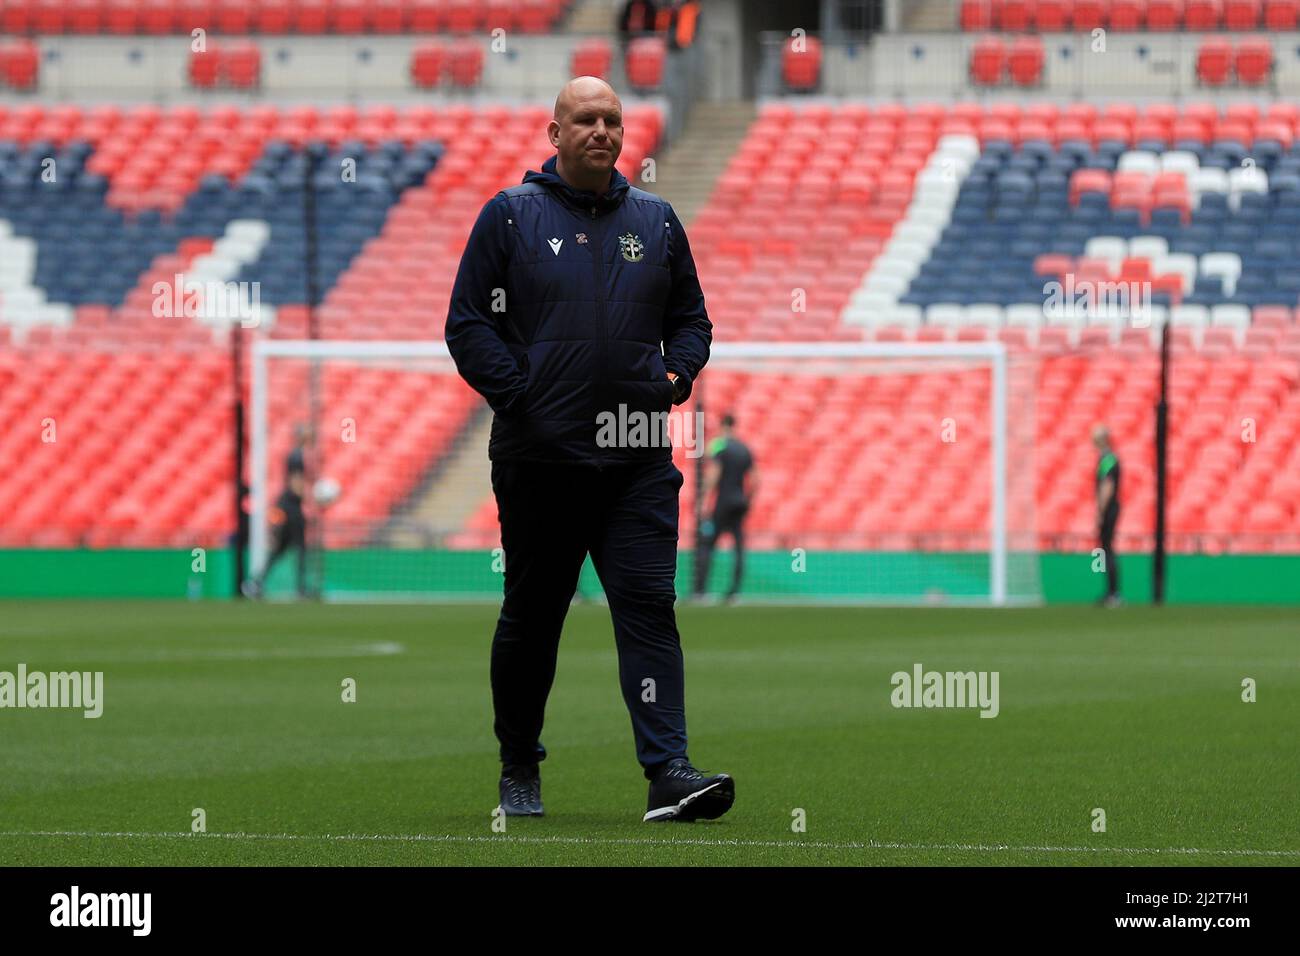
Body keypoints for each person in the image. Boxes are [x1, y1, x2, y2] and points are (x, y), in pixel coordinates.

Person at [445, 76, 734, 823]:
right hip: (541, 460)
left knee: (647, 607)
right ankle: (519, 764)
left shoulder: (659, 222)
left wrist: (676, 375)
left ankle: (668, 771)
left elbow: (693, 319)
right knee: (534, 616)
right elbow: (467, 323)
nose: (602, 131)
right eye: (586, 120)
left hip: (637, 456)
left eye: (612, 119)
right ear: (555, 133)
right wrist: (521, 396)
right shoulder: (510, 218)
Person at [692, 413, 756, 602]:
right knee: (738, 548)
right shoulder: (745, 449)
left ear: (722, 426)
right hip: (739, 501)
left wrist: (703, 499)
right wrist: (747, 501)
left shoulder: (720, 445)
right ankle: (734, 592)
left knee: (707, 545)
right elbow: (755, 480)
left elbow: (714, 473)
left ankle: (700, 591)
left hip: (723, 502)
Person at [245, 422, 312, 599]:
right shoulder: (297, 457)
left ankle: (255, 583)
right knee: (300, 548)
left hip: (284, 507)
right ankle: (301, 588)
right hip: (291, 509)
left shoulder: (294, 455)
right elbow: (296, 483)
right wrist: (310, 497)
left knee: (280, 550)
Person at [1093, 424, 1121, 608]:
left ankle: (1113, 593)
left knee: (1106, 550)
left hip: (1109, 509)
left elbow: (1107, 486)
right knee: (1104, 550)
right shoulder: (1107, 459)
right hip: (1111, 508)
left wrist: (1100, 511)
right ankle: (1110, 591)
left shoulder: (1108, 460)